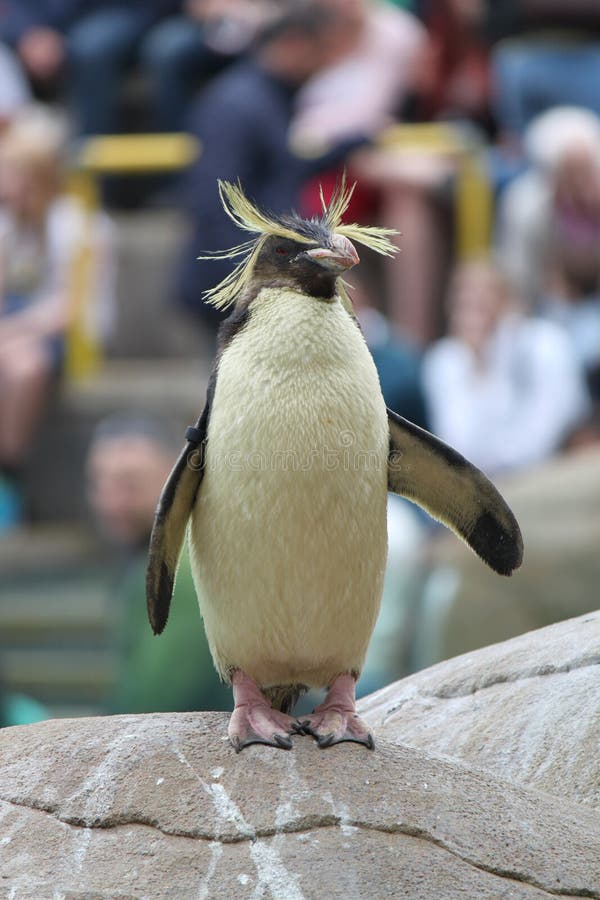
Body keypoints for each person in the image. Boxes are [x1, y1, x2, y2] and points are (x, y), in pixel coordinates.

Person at [177, 2, 370, 328]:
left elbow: (284, 166)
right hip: (236, 286)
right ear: (294, 43)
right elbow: (216, 202)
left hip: (259, 279)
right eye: (321, 52)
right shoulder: (238, 104)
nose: (324, 65)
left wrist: (357, 142)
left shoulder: (264, 98)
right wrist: (254, 279)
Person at [0, 105, 114, 529]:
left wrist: (10, 332)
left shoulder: (77, 223)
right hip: (20, 327)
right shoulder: (9, 227)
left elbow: (69, 307)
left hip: (72, 335)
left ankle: (8, 475)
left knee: (23, 367)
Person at [86, 414, 232, 714]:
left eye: (129, 484)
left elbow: (152, 698)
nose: (112, 503)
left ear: (173, 474)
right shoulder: (146, 555)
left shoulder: (183, 568)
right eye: (100, 483)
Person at [422, 259, 590, 475]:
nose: (471, 315)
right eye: (463, 303)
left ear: (509, 302)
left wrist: (500, 351)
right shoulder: (444, 361)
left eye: (483, 303)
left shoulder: (547, 345)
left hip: (553, 473)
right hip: (482, 483)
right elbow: (456, 444)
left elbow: (542, 440)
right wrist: (477, 366)